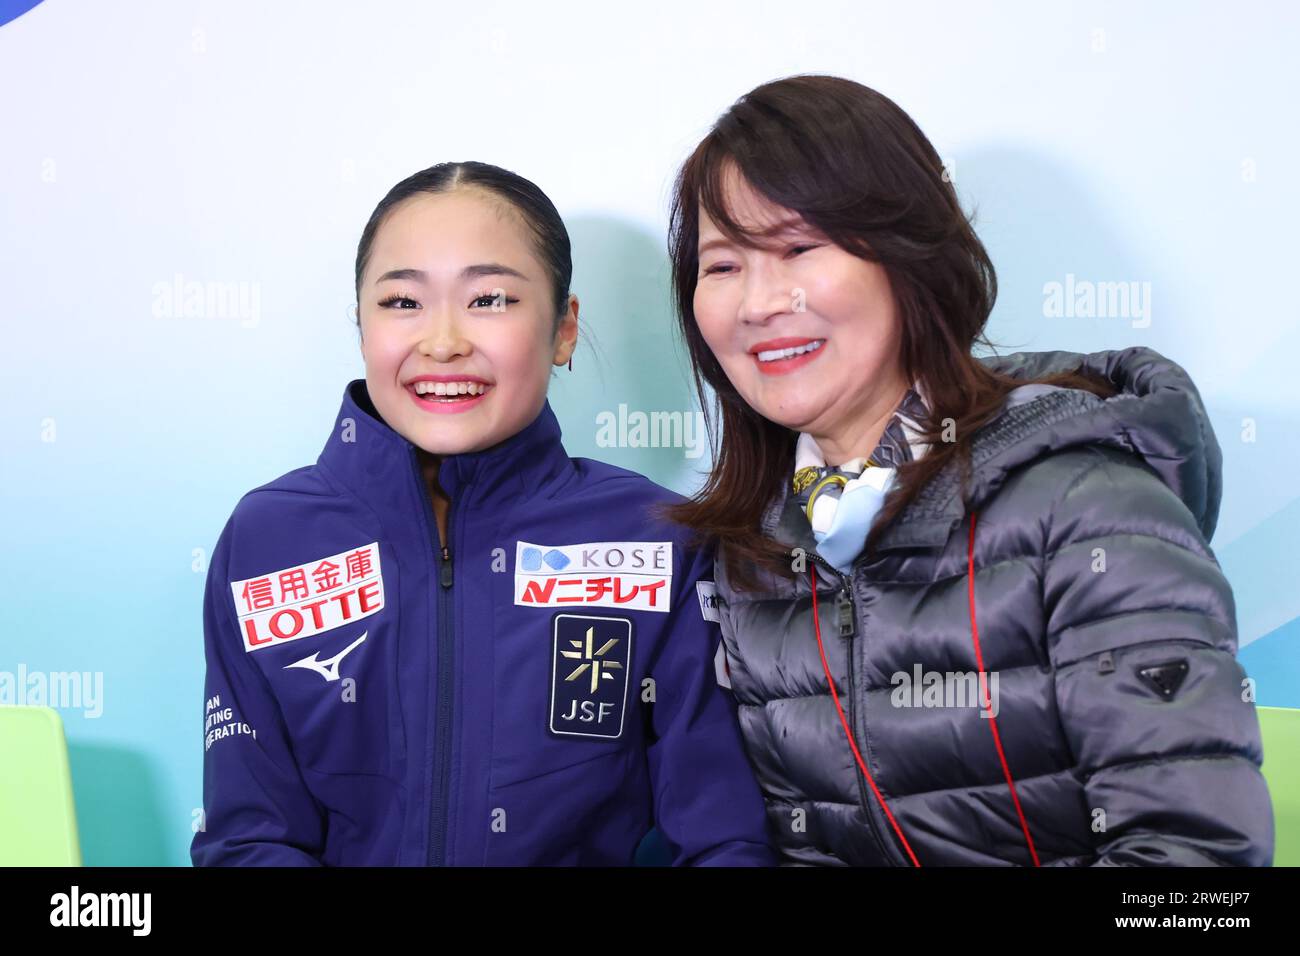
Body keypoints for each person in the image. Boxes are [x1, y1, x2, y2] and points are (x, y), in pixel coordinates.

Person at [663, 74, 1273, 866]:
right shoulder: (756, 555)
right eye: (722, 265)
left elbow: (1198, 866)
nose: (759, 302)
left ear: (907, 255)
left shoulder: (1083, 502)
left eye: (799, 247)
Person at [191, 160, 774, 866]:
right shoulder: (269, 538)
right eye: (402, 302)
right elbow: (250, 838)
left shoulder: (657, 539)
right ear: (361, 326)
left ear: (564, 329)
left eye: (490, 298)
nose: (442, 341)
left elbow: (724, 840)